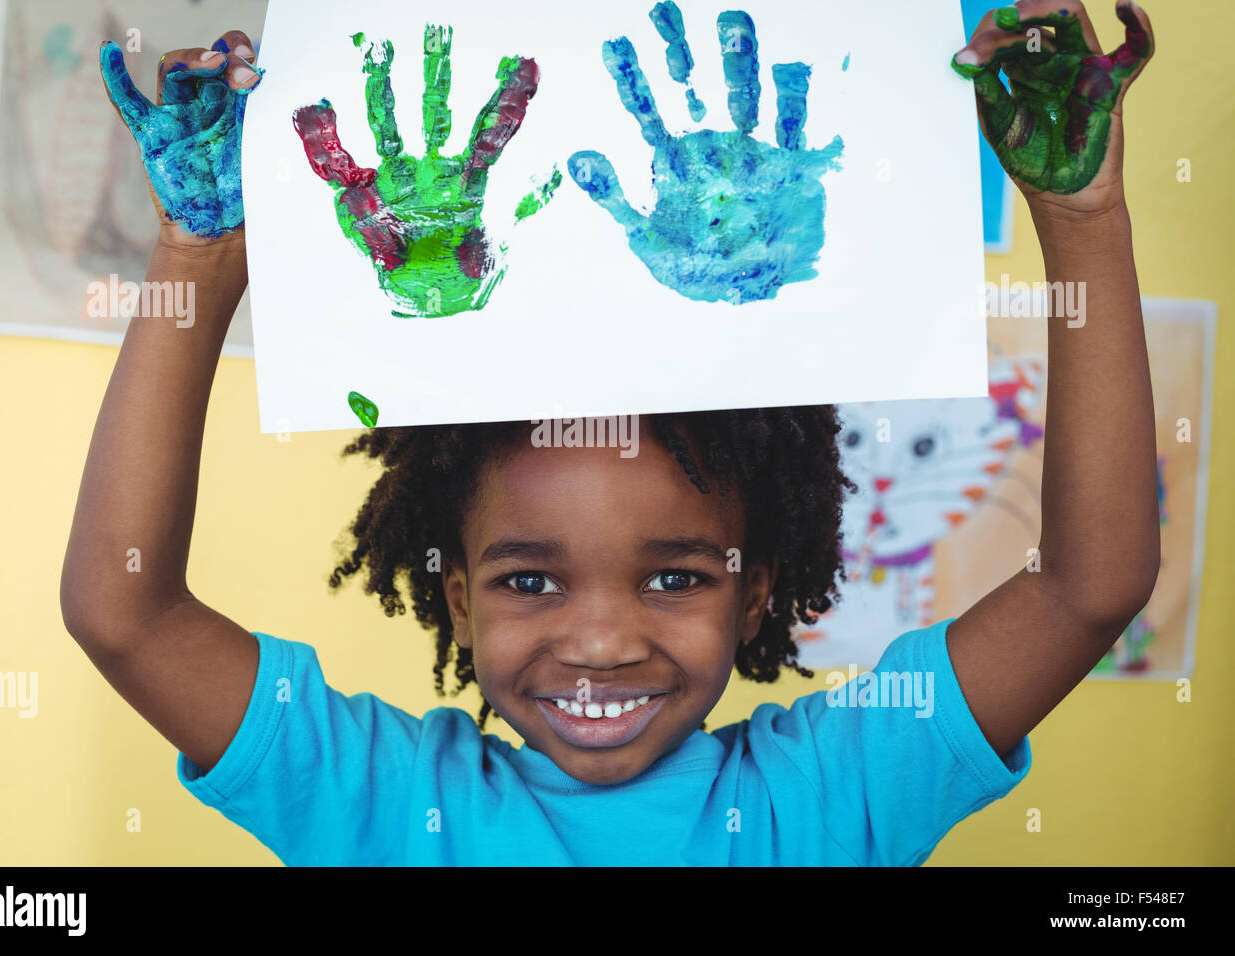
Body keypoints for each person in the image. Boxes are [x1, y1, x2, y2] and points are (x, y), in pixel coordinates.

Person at [61, 1, 1158, 864]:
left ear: (757, 587)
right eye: (529, 581)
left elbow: (1087, 588)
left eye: (676, 578)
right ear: (455, 592)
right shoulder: (385, 806)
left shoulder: (832, 795)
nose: (599, 641)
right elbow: (125, 613)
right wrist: (197, 261)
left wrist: (1078, 217)